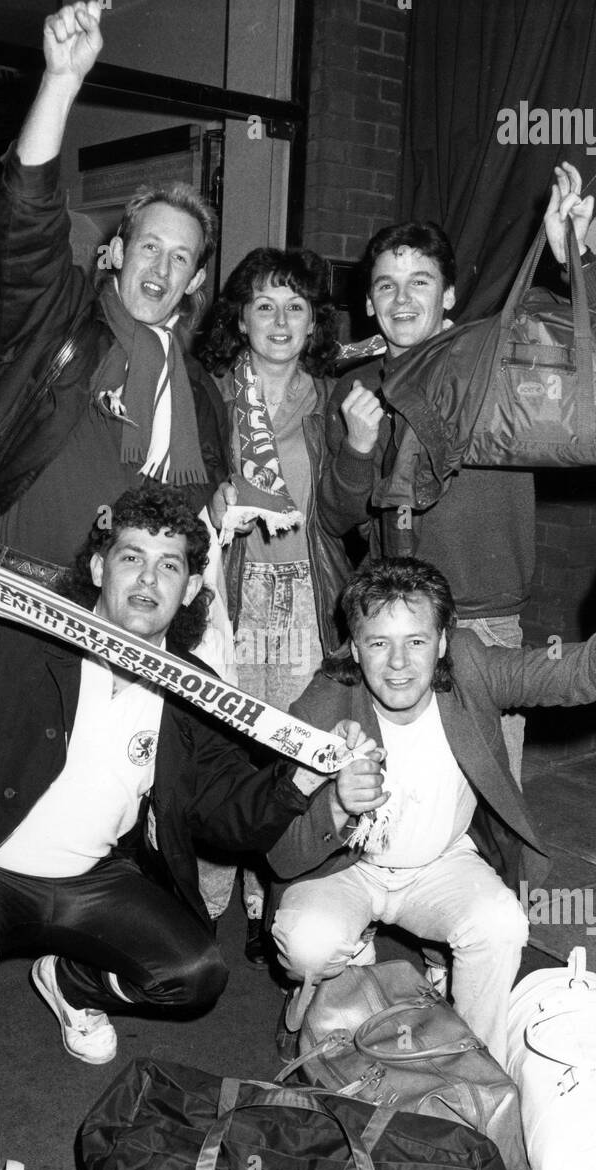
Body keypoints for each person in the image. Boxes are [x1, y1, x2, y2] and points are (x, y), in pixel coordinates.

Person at [0, 484, 330, 1158]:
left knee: (195, 971)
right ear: (98, 567)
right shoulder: (19, 637)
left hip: (91, 881)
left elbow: (228, 813)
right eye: (131, 558)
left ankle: (67, 981)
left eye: (170, 565)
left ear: (187, 589)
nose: (148, 579)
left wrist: (301, 781)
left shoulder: (191, 688)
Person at [267, 517, 596, 1067]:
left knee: (501, 925)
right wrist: (336, 802)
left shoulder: (472, 666)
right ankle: (339, 976)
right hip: (348, 869)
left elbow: (578, 675)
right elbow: (278, 849)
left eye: (417, 641)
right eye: (378, 643)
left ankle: (476, 1063)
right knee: (307, 944)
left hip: (441, 862)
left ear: (443, 642)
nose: (399, 663)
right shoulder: (320, 705)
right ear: (354, 649)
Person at [320, 163, 596, 787]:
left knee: (489, 791)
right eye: (386, 286)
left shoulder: (495, 365)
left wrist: (574, 256)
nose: (402, 299)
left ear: (448, 295)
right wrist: (359, 448)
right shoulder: (352, 388)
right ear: (367, 300)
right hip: (391, 622)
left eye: (420, 282)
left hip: (485, 619)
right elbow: (337, 519)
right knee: (388, 789)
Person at [0, 2, 240, 590]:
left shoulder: (197, 388)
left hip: (130, 621)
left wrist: (217, 510)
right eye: (149, 246)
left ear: (195, 281)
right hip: (25, 596)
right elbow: (25, 223)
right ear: (117, 254)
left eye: (181, 258)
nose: (162, 266)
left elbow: (189, 518)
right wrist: (60, 82)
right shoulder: (59, 320)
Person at [197, 249, 351, 951]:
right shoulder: (212, 392)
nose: (281, 319)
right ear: (240, 317)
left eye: (295, 306)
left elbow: (348, 508)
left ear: (315, 320)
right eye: (265, 304)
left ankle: (271, 901)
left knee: (290, 757)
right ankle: (205, 895)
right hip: (231, 594)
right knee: (224, 750)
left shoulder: (332, 402)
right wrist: (211, 497)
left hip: (304, 599)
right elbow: (174, 479)